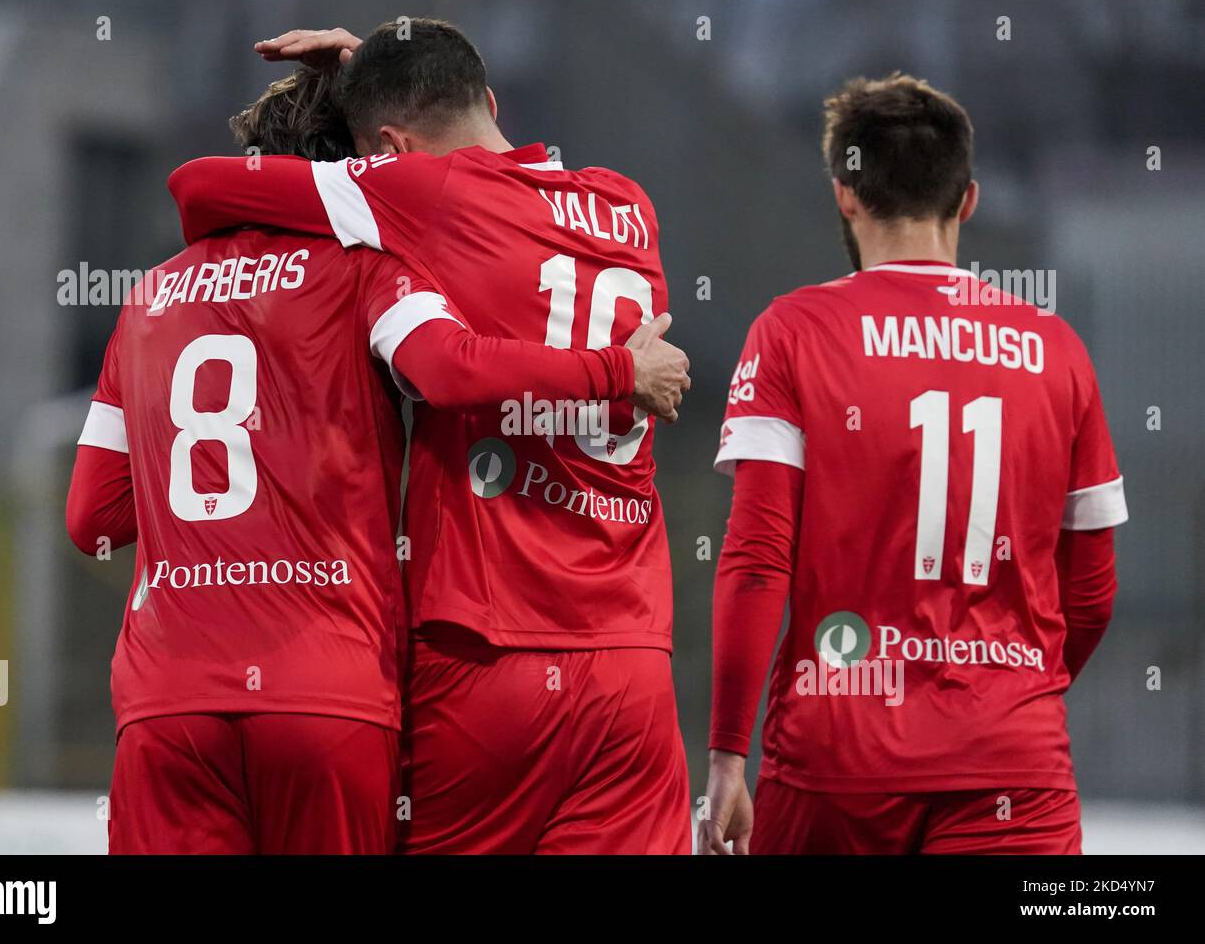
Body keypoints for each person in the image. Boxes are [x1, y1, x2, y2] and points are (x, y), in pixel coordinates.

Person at [66, 63, 689, 854]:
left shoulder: (148, 297)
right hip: (335, 688)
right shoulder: (375, 272)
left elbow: (92, 517)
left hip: (167, 696)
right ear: (353, 172)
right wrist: (618, 373)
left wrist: (205, 523)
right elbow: (448, 367)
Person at [699, 73, 1127, 855]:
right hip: (1012, 766)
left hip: (836, 758)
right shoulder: (1055, 350)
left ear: (845, 195)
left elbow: (758, 561)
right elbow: (1092, 590)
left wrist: (729, 751)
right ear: (968, 200)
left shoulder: (794, 331)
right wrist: (1008, 697)